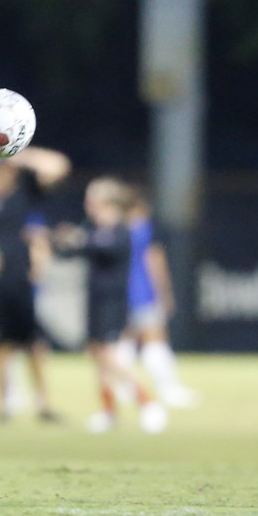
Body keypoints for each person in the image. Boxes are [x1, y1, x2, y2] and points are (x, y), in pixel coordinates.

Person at [0, 145, 72, 421]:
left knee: (34, 343)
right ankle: (3, 405)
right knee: (0, 344)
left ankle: (43, 404)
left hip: (22, 280)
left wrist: (17, 153)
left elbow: (58, 165)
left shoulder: (24, 191)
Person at [55, 178, 166, 433]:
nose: (87, 204)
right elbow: (74, 251)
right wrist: (57, 240)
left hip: (113, 301)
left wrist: (76, 240)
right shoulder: (93, 228)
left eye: (92, 199)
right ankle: (108, 411)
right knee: (97, 354)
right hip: (95, 299)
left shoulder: (121, 230)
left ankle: (148, 403)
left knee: (108, 355)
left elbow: (104, 250)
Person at [116, 191, 195, 407]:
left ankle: (123, 389)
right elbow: (155, 262)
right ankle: (168, 389)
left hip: (120, 292)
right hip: (143, 292)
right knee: (155, 342)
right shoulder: (146, 230)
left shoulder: (117, 229)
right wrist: (165, 293)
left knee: (124, 341)